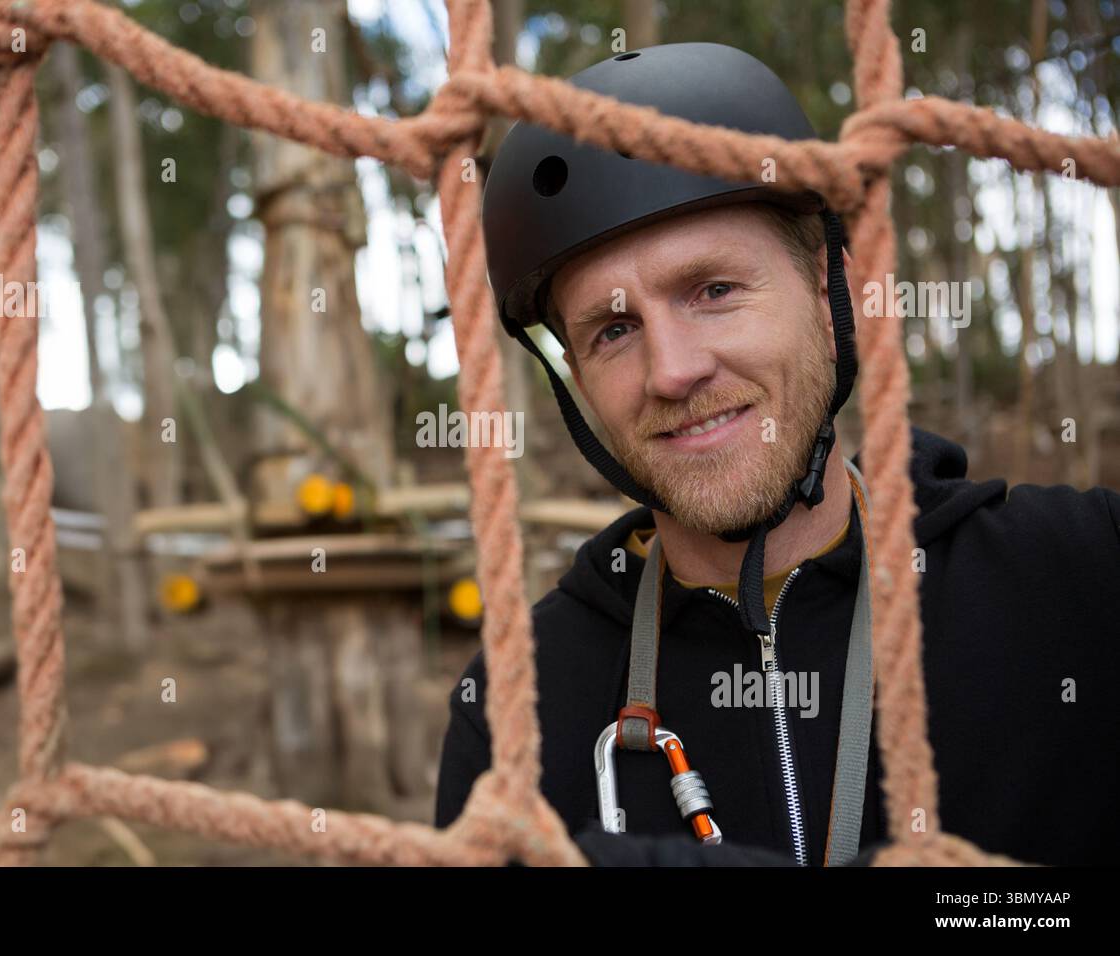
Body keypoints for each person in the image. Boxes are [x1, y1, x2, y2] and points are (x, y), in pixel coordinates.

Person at [432, 42, 1119, 866]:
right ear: (573, 375)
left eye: (715, 291)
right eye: (614, 330)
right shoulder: (519, 706)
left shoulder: (1084, 579)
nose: (674, 370)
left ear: (837, 300)